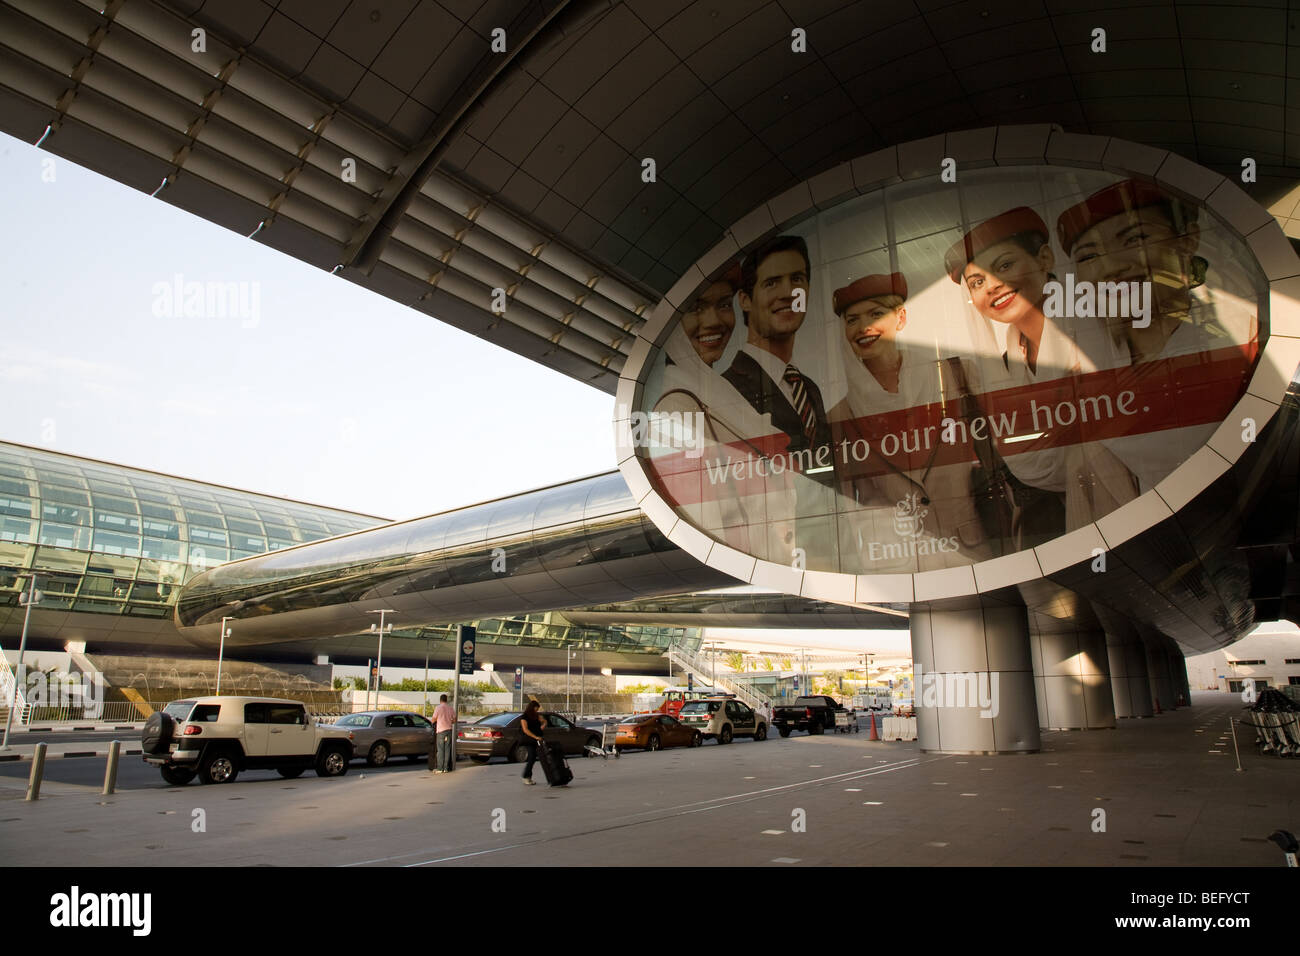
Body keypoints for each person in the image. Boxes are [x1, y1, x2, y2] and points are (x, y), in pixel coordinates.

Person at [1056, 178, 1260, 493]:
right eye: (1088, 256)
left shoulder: (1240, 343)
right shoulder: (1090, 369)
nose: (1111, 267)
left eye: (1135, 238)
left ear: (1187, 239)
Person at [827, 272, 991, 571]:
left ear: (900, 318)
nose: (864, 327)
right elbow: (847, 503)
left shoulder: (955, 377)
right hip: (895, 559)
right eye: (852, 319)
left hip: (969, 548)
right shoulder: (839, 416)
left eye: (876, 313)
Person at [519, 698, 547, 786]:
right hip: (529, 740)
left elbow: (542, 723)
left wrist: (544, 724)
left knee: (534, 758)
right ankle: (525, 776)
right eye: (536, 708)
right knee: (531, 757)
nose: (537, 710)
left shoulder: (536, 716)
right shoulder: (524, 717)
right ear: (532, 707)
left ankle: (528, 777)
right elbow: (525, 730)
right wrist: (535, 737)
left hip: (537, 739)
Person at [429, 693, 456, 773]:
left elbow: (433, 719)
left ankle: (440, 768)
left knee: (440, 750)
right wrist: (449, 721)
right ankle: (446, 768)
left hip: (441, 731)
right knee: (447, 749)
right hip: (449, 730)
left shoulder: (438, 708)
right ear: (446, 700)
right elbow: (454, 720)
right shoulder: (450, 708)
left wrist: (437, 720)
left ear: (440, 700)